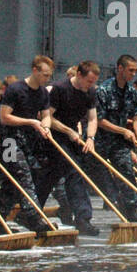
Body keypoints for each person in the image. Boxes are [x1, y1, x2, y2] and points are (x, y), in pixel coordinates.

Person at [38, 60, 101, 234]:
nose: (91, 85)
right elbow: (47, 117)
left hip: (73, 136)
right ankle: (82, 217)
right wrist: (67, 131)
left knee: (55, 175)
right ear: (78, 75)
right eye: (89, 81)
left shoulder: (90, 92)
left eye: (94, 82)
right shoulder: (60, 88)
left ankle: (82, 219)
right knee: (73, 171)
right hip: (54, 136)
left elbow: (92, 118)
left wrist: (90, 138)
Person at [0, 55, 56, 235]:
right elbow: (4, 117)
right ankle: (32, 216)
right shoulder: (15, 89)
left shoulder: (43, 93)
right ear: (35, 70)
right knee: (22, 176)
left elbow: (46, 115)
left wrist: (45, 125)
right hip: (9, 142)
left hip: (29, 142)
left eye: (49, 76)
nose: (47, 79)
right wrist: (31, 122)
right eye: (44, 75)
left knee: (12, 185)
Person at [94, 55, 137, 221]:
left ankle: (131, 210)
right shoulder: (104, 90)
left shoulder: (132, 92)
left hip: (119, 143)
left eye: (135, 70)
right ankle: (114, 202)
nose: (133, 74)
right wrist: (122, 131)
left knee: (126, 171)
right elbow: (100, 120)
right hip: (101, 141)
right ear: (120, 69)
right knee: (101, 178)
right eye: (130, 70)